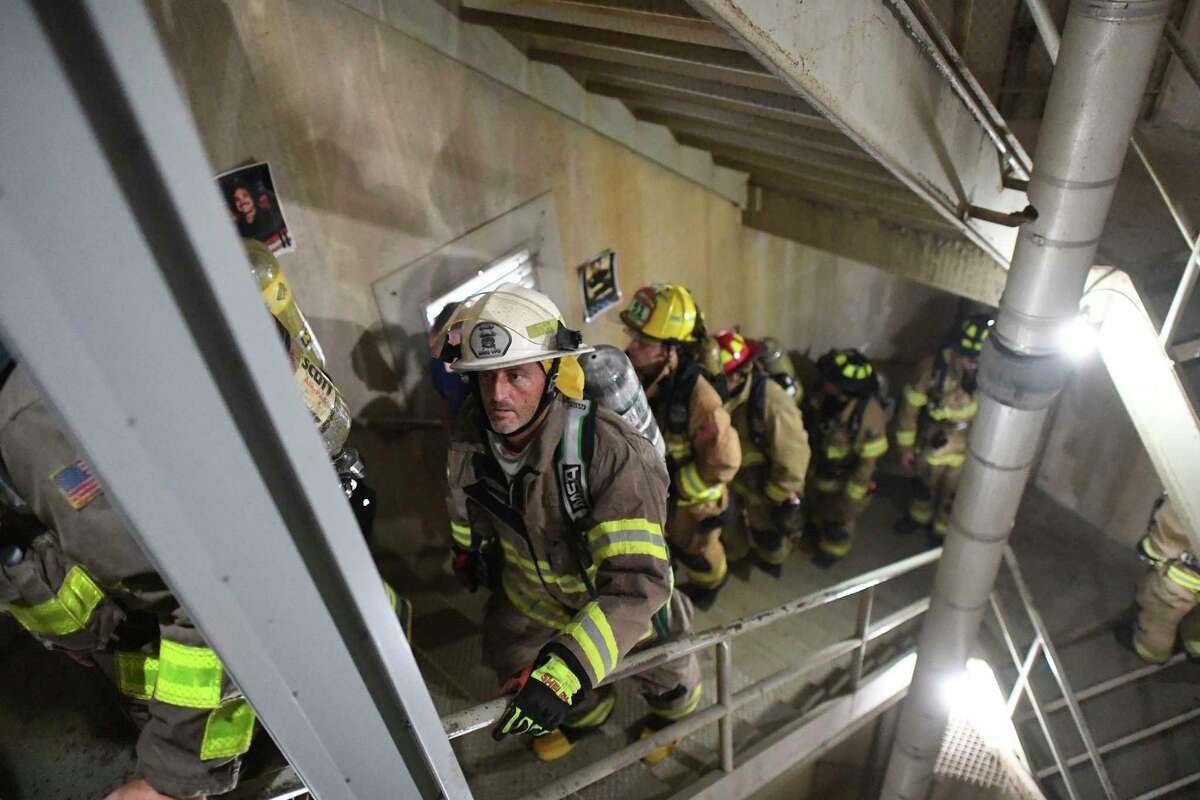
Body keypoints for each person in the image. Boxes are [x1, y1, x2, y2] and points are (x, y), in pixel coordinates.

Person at [0, 246, 408, 800]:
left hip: (296, 673)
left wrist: (172, 775)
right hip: (206, 688)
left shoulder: (40, 420)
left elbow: (225, 597)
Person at [441, 285, 701, 764]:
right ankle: (589, 716)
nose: (497, 395)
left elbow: (636, 584)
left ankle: (672, 723)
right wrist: (467, 550)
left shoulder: (611, 454)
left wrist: (568, 669)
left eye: (516, 375)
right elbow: (463, 504)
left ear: (556, 372)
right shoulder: (470, 438)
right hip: (530, 603)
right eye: (484, 378)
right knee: (512, 659)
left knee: (668, 673)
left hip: (609, 607)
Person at [620, 284, 741, 609]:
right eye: (632, 335)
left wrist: (683, 488)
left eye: (643, 342)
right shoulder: (645, 374)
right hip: (665, 495)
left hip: (692, 504)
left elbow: (726, 460)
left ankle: (712, 585)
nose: (630, 346)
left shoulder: (699, 396)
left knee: (699, 553)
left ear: (669, 349)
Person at [715, 330, 810, 576]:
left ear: (736, 377)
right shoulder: (721, 397)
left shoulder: (773, 404)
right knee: (729, 528)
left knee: (768, 535)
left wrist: (774, 496)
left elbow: (793, 461)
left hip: (763, 490)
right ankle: (738, 556)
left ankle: (772, 561)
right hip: (731, 484)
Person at [893, 314, 992, 544]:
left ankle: (940, 532)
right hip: (933, 442)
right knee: (924, 488)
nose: (972, 365)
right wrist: (905, 448)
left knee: (953, 496)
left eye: (978, 360)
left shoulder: (993, 376)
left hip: (969, 445)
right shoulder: (932, 368)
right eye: (968, 358)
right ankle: (917, 518)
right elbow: (909, 410)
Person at [804, 349, 889, 565]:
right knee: (820, 508)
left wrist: (850, 499)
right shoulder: (825, 398)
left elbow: (867, 465)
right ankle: (818, 530)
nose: (825, 383)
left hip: (846, 479)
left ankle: (833, 551)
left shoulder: (869, 416)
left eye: (830, 380)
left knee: (838, 520)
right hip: (822, 470)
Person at [1131, 495, 1200, 663]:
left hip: (1183, 567)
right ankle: (1195, 641)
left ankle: (1152, 648)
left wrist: (1155, 548)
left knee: (1166, 603)